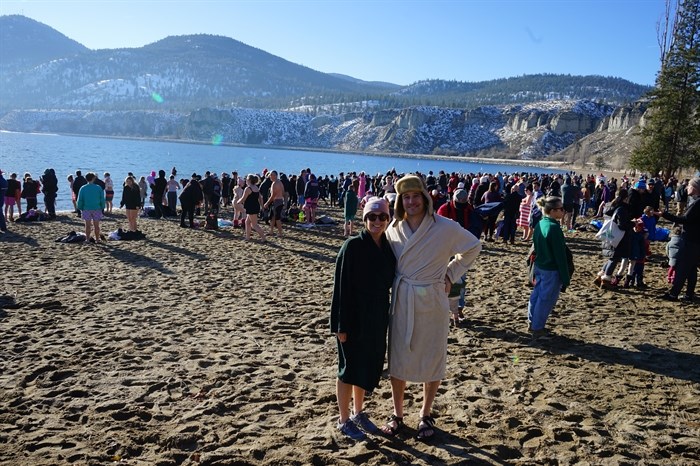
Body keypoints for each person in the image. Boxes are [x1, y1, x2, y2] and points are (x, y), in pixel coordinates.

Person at [381, 174, 481, 440]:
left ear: (425, 198)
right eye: (406, 197)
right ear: (400, 201)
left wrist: (451, 273)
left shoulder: (445, 227)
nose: (411, 201)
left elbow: (473, 246)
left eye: (415, 196)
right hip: (403, 300)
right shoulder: (393, 228)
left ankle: (425, 413)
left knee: (433, 357)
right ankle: (397, 414)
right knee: (398, 358)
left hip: (434, 300)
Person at [330, 197, 396, 441]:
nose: (376, 221)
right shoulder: (352, 246)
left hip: (377, 316)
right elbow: (341, 286)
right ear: (364, 218)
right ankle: (344, 419)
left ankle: (358, 413)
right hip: (353, 316)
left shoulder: (388, 247)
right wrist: (340, 324)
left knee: (366, 366)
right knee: (348, 369)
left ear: (388, 219)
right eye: (371, 217)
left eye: (382, 217)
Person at [528, 196, 570, 338]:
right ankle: (537, 328)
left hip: (539, 265)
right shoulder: (553, 228)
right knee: (546, 299)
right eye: (561, 209)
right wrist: (566, 277)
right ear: (552, 211)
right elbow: (560, 256)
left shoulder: (540, 224)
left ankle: (532, 322)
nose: (564, 211)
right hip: (550, 269)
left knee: (537, 295)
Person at [656, 177, 699, 302]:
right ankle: (689, 295)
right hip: (696, 241)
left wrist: (664, 215)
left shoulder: (697, 203)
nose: (686, 188)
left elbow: (685, 219)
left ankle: (673, 294)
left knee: (682, 268)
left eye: (689, 186)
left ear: (695, 188)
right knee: (691, 269)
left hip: (691, 240)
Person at [594, 189, 634, 288]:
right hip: (617, 237)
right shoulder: (621, 209)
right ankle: (606, 280)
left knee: (612, 258)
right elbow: (622, 225)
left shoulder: (609, 205)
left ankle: (600, 276)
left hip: (609, 234)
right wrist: (633, 223)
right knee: (614, 258)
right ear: (626, 198)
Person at [76, 172, 105, 243]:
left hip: (86, 208)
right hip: (97, 208)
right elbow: (102, 199)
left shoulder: (83, 188)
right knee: (96, 225)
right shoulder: (98, 187)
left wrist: (80, 207)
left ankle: (88, 239)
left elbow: (80, 199)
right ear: (93, 178)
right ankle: (97, 239)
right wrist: (102, 207)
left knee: (87, 225)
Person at [239, 174, 266, 242]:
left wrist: (237, 202)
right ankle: (247, 237)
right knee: (247, 222)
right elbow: (260, 198)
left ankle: (264, 238)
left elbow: (243, 198)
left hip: (251, 207)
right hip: (255, 206)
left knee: (254, 225)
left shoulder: (248, 188)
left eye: (247, 179)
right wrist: (262, 206)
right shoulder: (256, 187)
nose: (246, 180)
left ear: (249, 180)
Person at [264, 170, 284, 237]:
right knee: (272, 217)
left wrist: (267, 203)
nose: (270, 176)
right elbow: (283, 192)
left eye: (272, 175)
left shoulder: (275, 183)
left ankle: (280, 233)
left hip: (277, 202)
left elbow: (273, 195)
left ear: (275, 175)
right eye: (270, 175)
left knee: (277, 218)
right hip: (279, 201)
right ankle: (271, 231)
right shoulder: (280, 182)